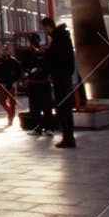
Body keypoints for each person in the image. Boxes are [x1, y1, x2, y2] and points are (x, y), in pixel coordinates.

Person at [41, 15, 77, 149]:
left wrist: (46, 55)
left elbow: (56, 59)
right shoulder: (62, 38)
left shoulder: (59, 40)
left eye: (44, 29)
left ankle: (68, 138)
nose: (44, 32)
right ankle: (68, 137)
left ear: (48, 27)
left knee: (63, 107)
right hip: (64, 76)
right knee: (64, 107)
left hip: (61, 77)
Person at [23, 41, 52, 134]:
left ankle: (48, 128)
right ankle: (37, 128)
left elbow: (49, 68)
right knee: (35, 109)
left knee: (46, 108)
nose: (40, 49)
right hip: (34, 85)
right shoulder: (31, 56)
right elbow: (25, 66)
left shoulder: (47, 57)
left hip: (44, 85)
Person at [0, 45, 21, 127]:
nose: (4, 51)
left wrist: (15, 81)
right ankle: (9, 112)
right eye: (3, 50)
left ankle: (11, 118)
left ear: (9, 51)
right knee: (2, 101)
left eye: (6, 50)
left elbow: (18, 72)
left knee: (12, 102)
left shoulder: (13, 60)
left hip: (11, 84)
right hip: (2, 84)